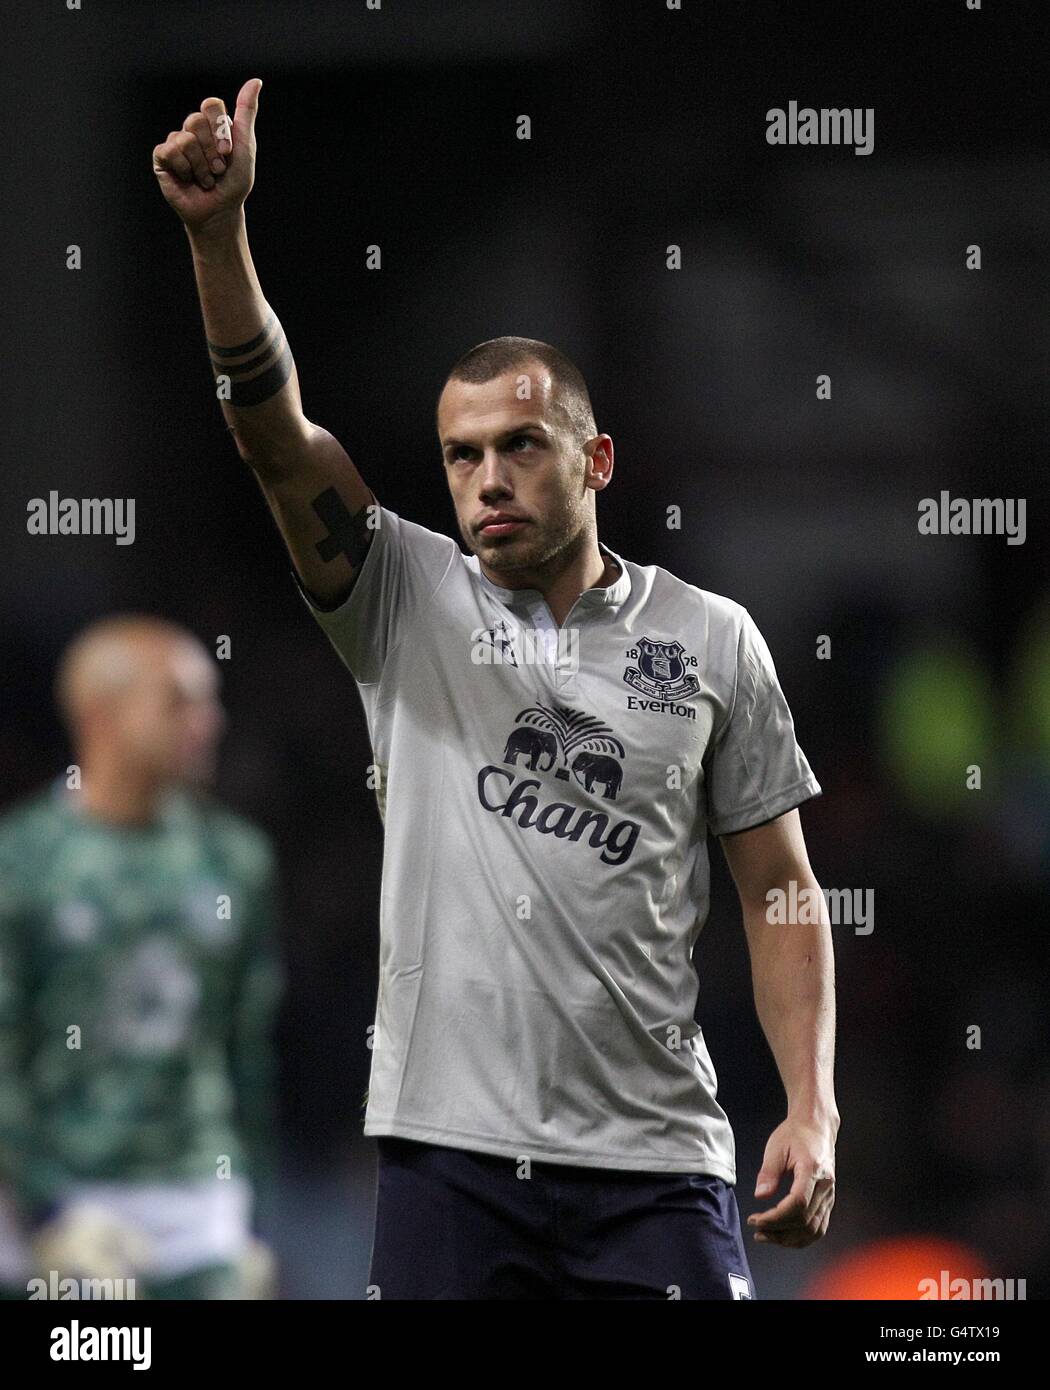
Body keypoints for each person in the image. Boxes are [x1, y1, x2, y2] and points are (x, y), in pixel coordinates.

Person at [152, 79, 839, 1300]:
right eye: (462, 456)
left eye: (520, 445)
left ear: (596, 458)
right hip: (450, 1161)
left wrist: (813, 1107)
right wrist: (218, 236)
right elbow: (273, 432)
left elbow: (780, 889)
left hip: (658, 1160)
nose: (487, 480)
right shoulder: (404, 598)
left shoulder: (713, 637)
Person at [0, 617, 282, 1299]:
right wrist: (46, 1208)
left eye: (208, 701)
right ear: (103, 715)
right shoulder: (24, 860)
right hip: (54, 1200)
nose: (207, 722)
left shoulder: (234, 860)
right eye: (178, 701)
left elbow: (246, 1047)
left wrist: (249, 1213)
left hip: (194, 1204)